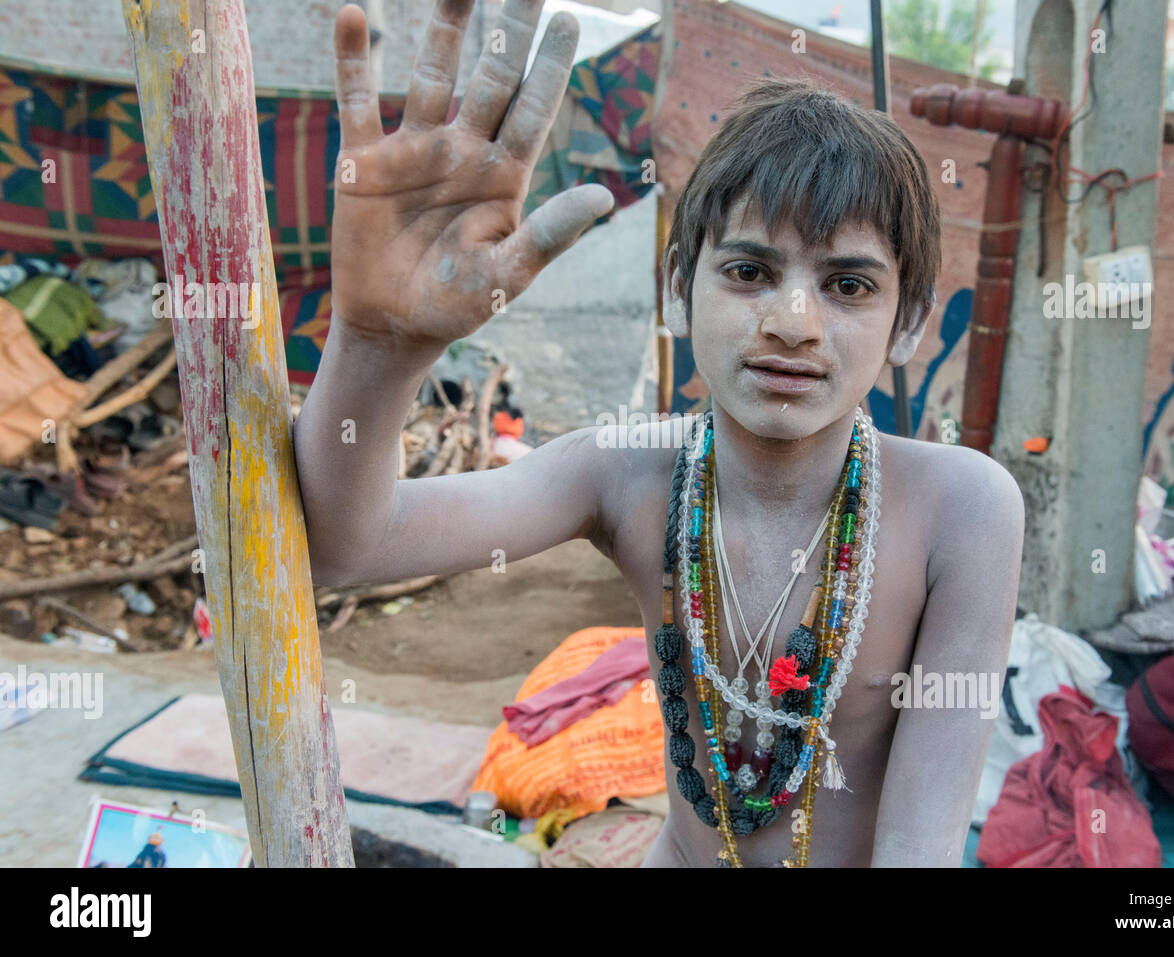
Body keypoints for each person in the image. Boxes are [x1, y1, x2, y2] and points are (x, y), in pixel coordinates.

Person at [297, 0, 1024, 867]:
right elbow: (347, 544)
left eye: (849, 285)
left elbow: (920, 847)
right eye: (749, 271)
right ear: (679, 288)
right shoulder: (625, 472)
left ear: (909, 323)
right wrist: (379, 346)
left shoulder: (964, 510)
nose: (793, 323)